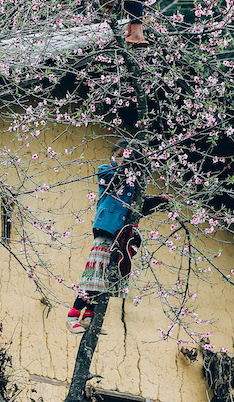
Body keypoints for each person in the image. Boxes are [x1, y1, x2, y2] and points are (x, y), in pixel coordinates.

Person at [66, 141, 147, 334]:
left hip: (121, 235)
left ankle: (88, 317)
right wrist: (130, 165)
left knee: (106, 277)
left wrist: (160, 200)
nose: (122, 159)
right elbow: (113, 177)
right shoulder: (106, 170)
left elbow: (139, 205)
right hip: (105, 228)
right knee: (95, 273)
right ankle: (72, 316)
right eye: (119, 155)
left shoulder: (132, 181)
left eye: (126, 156)